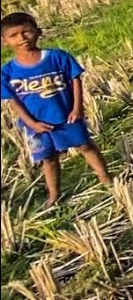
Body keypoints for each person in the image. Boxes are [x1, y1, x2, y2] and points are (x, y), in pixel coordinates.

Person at [1, 12, 113, 207]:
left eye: (26, 32)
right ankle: (54, 195)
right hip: (37, 124)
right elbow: (13, 101)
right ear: (4, 41)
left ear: (38, 32)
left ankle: (106, 179)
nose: (21, 38)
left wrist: (77, 107)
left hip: (65, 115)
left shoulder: (57, 57)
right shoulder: (7, 72)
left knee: (85, 146)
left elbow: (75, 79)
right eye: (14, 35)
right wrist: (31, 123)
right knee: (48, 159)